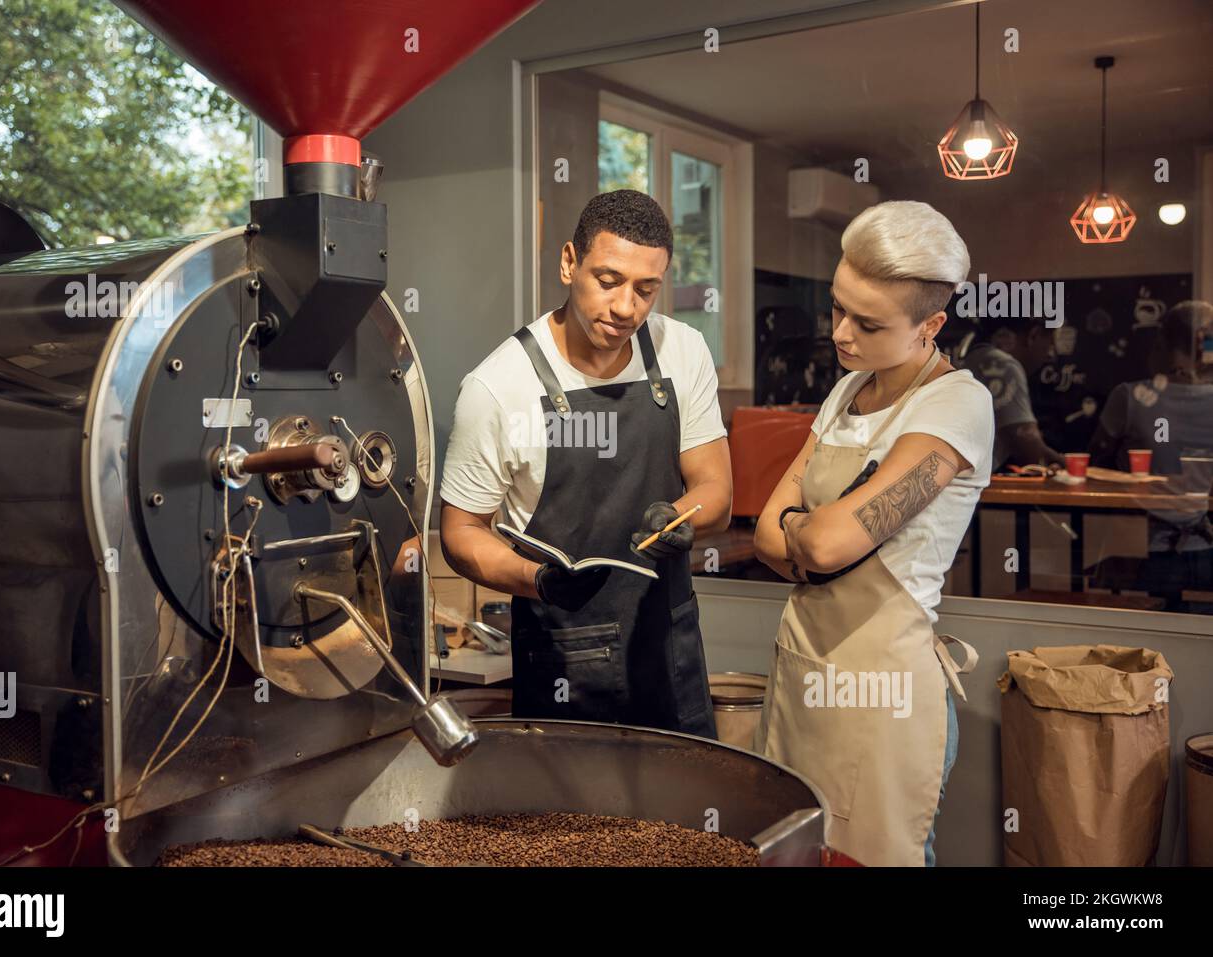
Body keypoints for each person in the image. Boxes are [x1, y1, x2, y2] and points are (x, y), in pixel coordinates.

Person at [752, 200, 994, 866]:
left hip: (883, 693)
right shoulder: (847, 391)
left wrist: (809, 535)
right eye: (837, 308)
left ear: (931, 324)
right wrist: (815, 536)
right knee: (795, 852)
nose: (842, 334)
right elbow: (767, 536)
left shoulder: (955, 403)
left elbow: (821, 543)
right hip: (802, 672)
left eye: (868, 322)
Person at [439, 190, 732, 736]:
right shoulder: (498, 388)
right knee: (572, 820)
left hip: (667, 644)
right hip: (561, 656)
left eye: (646, 289)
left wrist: (679, 519)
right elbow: (460, 532)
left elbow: (715, 487)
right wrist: (539, 580)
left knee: (685, 815)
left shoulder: (682, 351)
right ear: (569, 262)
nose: (627, 308)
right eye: (608, 280)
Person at [1089, 300, 1213, 611]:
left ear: (1161, 344)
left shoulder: (1128, 398)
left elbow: (1094, 462)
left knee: (1143, 638)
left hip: (1138, 550)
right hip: (1207, 545)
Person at [960, 318, 1063, 471]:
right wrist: (1072, 467)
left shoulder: (977, 357)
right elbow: (1029, 450)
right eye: (1050, 342)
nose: (1051, 355)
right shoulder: (1004, 365)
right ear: (1033, 335)